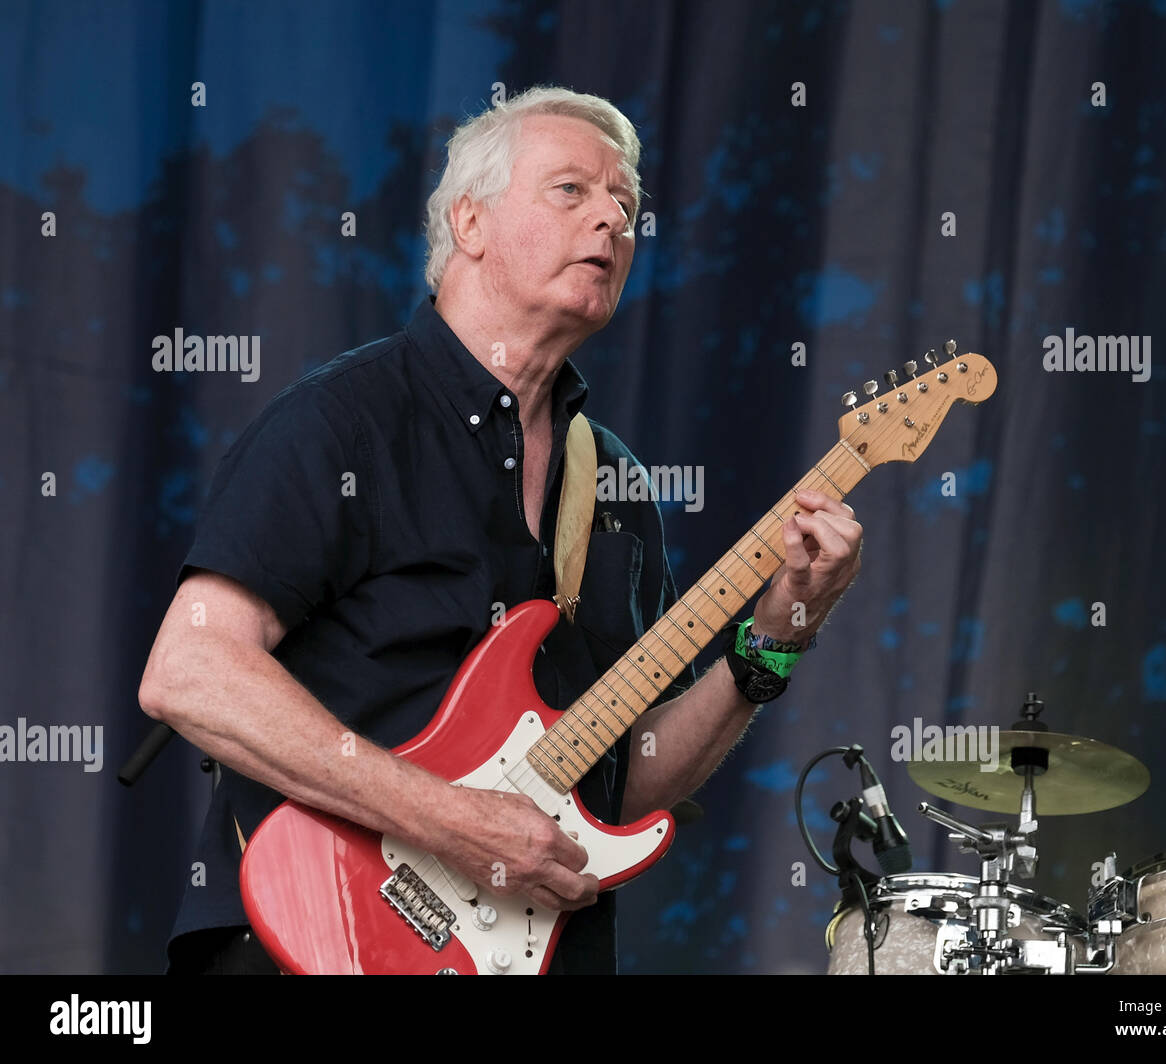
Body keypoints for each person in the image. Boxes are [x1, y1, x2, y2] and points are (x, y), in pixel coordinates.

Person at [139, 86, 863, 975]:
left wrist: (778, 635)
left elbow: (621, 776)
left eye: (627, 206)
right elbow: (192, 672)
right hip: (315, 934)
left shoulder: (615, 487)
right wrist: (453, 819)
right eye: (572, 190)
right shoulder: (342, 425)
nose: (612, 219)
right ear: (470, 222)